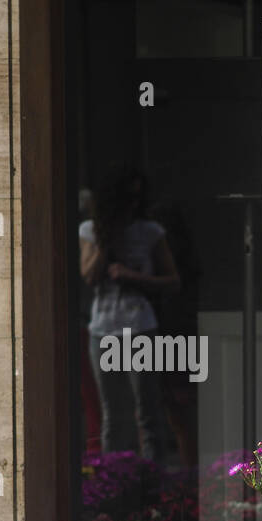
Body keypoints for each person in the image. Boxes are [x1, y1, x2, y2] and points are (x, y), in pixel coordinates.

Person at [79, 164, 180, 462]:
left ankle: (152, 483)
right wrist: (107, 239)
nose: (133, 205)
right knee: (113, 413)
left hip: (140, 326)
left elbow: (173, 280)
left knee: (147, 411)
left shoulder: (150, 232)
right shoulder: (90, 231)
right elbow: (89, 274)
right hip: (103, 328)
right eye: (127, 199)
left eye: (137, 199)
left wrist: (134, 277)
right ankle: (115, 483)